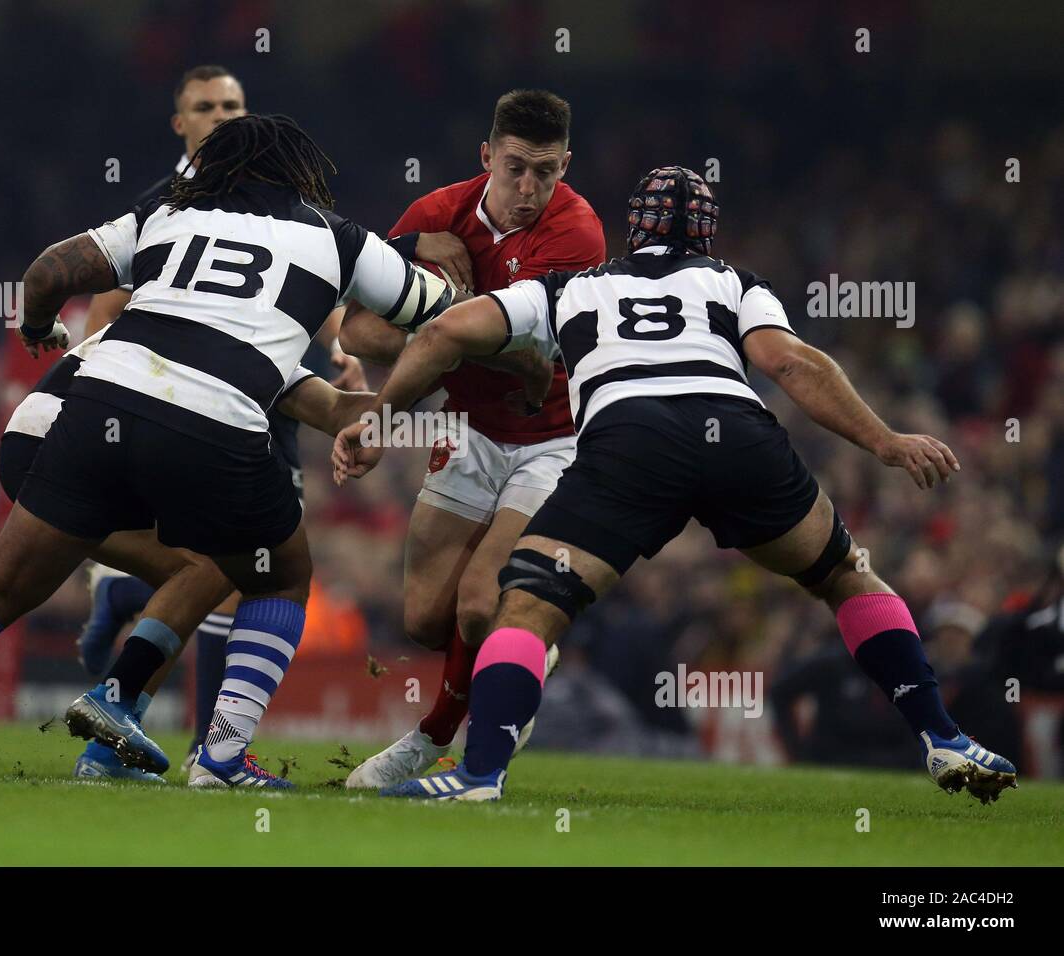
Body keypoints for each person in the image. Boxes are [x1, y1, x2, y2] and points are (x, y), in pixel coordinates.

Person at [0, 114, 454, 787]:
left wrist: (38, 325)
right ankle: (215, 754)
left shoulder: (169, 218)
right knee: (269, 573)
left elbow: (51, 269)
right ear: (300, 177)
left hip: (81, 416)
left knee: (0, 584)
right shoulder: (329, 246)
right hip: (203, 428)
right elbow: (442, 315)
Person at [332, 166, 1018, 804]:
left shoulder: (573, 287)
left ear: (635, 227)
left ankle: (481, 773)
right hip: (738, 437)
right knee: (845, 576)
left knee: (525, 610)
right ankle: (943, 736)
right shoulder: (733, 282)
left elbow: (449, 329)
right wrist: (886, 441)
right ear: (707, 233)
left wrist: (384, 418)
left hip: (630, 445)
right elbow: (792, 363)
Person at [337, 89, 605, 788]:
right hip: (467, 427)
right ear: (486, 155)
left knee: (482, 600)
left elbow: (532, 365)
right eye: (515, 167)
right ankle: (526, 654)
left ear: (566, 166)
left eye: (546, 172)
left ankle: (430, 741)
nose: (529, 188)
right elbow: (355, 329)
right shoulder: (436, 217)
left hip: (554, 436)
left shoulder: (578, 235)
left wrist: (444, 326)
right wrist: (414, 264)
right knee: (426, 620)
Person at [0, 327, 376, 780]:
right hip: (201, 397)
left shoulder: (244, 284)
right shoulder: (186, 296)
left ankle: (121, 737)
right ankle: (207, 750)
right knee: (240, 566)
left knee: (222, 570)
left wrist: (340, 349)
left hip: (246, 392)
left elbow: (334, 296)